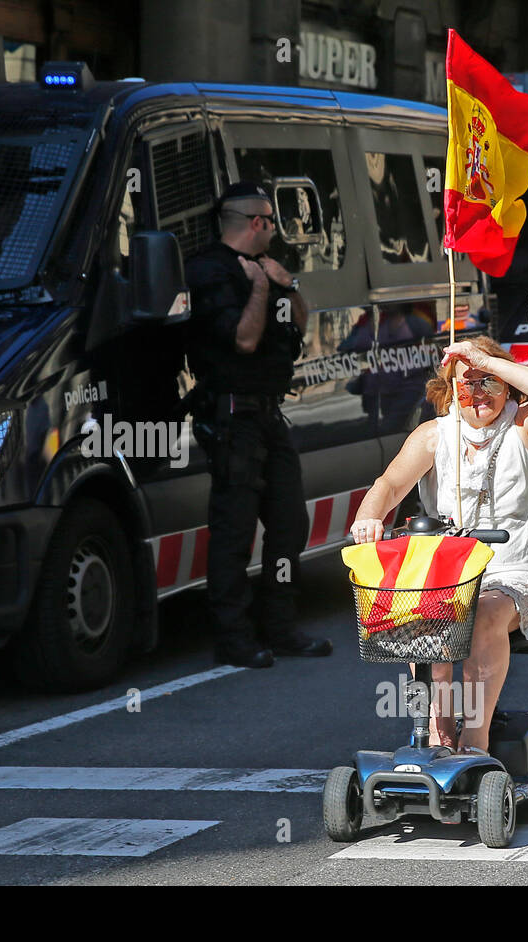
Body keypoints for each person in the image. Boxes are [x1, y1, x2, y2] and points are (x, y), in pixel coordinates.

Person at [349, 335, 528, 753]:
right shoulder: (436, 434)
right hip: (448, 574)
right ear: (450, 389)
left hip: (516, 573)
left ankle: (475, 740)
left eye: (489, 381)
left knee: (484, 611)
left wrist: (483, 360)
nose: (478, 393)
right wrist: (369, 517)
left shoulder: (527, 426)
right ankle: (437, 728)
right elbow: (390, 484)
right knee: (418, 611)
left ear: (507, 383)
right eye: (466, 383)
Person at [184, 181, 332, 668]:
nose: (276, 228)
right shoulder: (211, 271)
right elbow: (243, 341)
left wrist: (288, 285)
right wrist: (264, 287)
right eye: (271, 220)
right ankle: (234, 636)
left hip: (268, 413)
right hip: (232, 418)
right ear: (257, 223)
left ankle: (281, 626)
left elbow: (298, 326)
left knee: (290, 524)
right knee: (234, 531)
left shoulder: (269, 270)